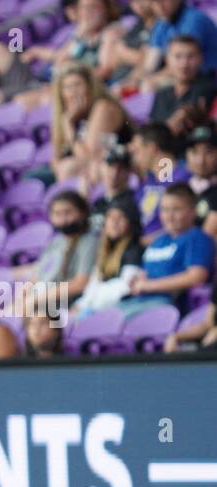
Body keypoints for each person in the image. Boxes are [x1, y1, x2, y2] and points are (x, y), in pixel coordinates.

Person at [126, 183, 215, 312]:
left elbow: (197, 276)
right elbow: (144, 273)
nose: (169, 216)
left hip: (169, 305)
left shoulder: (198, 238)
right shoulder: (158, 241)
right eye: (164, 209)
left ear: (193, 211)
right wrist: (135, 281)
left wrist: (149, 286)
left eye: (177, 209)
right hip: (139, 301)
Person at [73, 197, 145, 318]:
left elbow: (126, 287)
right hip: (95, 307)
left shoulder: (134, 250)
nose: (114, 222)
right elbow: (94, 284)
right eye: (110, 217)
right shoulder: (104, 250)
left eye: (120, 217)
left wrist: (90, 306)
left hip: (116, 309)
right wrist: (80, 305)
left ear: (131, 222)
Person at [149, 35, 217, 154]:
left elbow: (180, 120)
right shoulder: (162, 93)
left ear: (201, 58)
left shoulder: (208, 88)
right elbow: (154, 129)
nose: (184, 64)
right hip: (164, 158)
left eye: (190, 56)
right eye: (178, 56)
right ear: (167, 60)